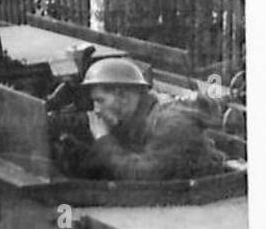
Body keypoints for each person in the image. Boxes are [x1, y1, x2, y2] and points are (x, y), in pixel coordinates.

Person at [79, 57, 225, 181]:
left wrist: (103, 139)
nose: (96, 110)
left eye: (100, 101)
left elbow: (141, 175)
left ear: (122, 96)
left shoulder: (172, 124)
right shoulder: (138, 121)